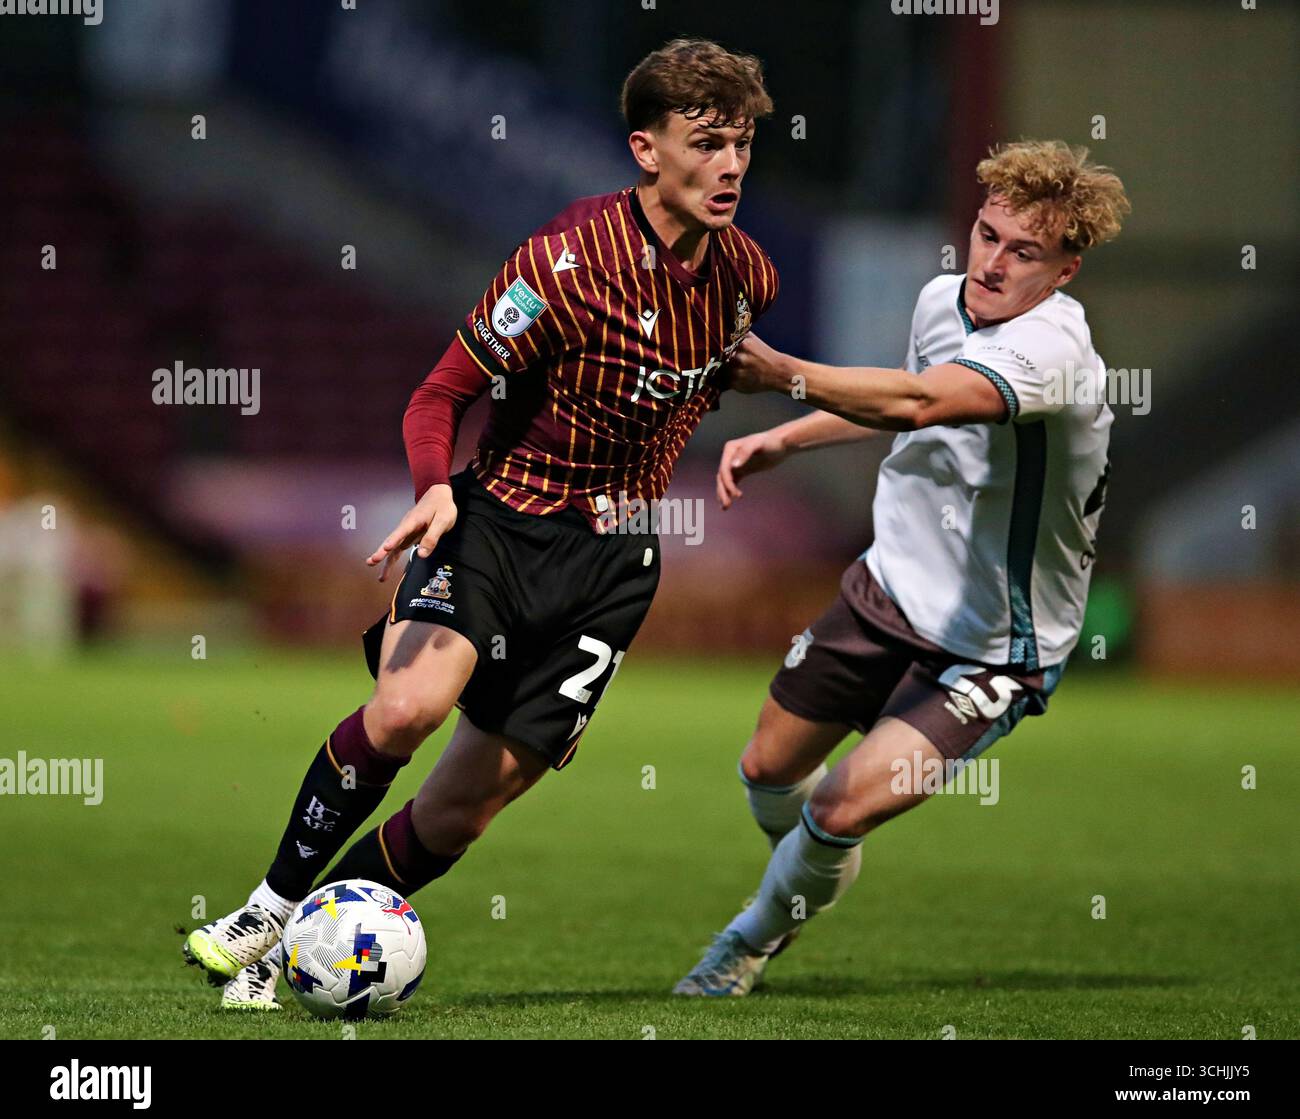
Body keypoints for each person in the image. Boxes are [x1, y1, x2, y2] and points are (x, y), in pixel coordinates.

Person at [185, 37, 780, 1009]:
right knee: (407, 708)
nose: (730, 166)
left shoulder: (745, 280)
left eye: (743, 143)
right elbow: (438, 394)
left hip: (613, 571)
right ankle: (264, 907)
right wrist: (433, 487)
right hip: (496, 523)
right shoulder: (563, 261)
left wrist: (818, 417)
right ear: (645, 149)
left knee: (460, 813)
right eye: (706, 142)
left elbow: (733, 368)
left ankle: (291, 951)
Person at [674, 140, 1130, 996]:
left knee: (838, 806)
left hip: (994, 643)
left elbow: (926, 401)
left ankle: (744, 943)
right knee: (767, 768)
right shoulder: (942, 299)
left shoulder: (1054, 350)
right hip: (885, 589)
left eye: (1023, 252)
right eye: (987, 234)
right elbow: (906, 394)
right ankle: (809, 871)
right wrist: (791, 434)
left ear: (1065, 271)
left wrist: (781, 378)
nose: (992, 263)